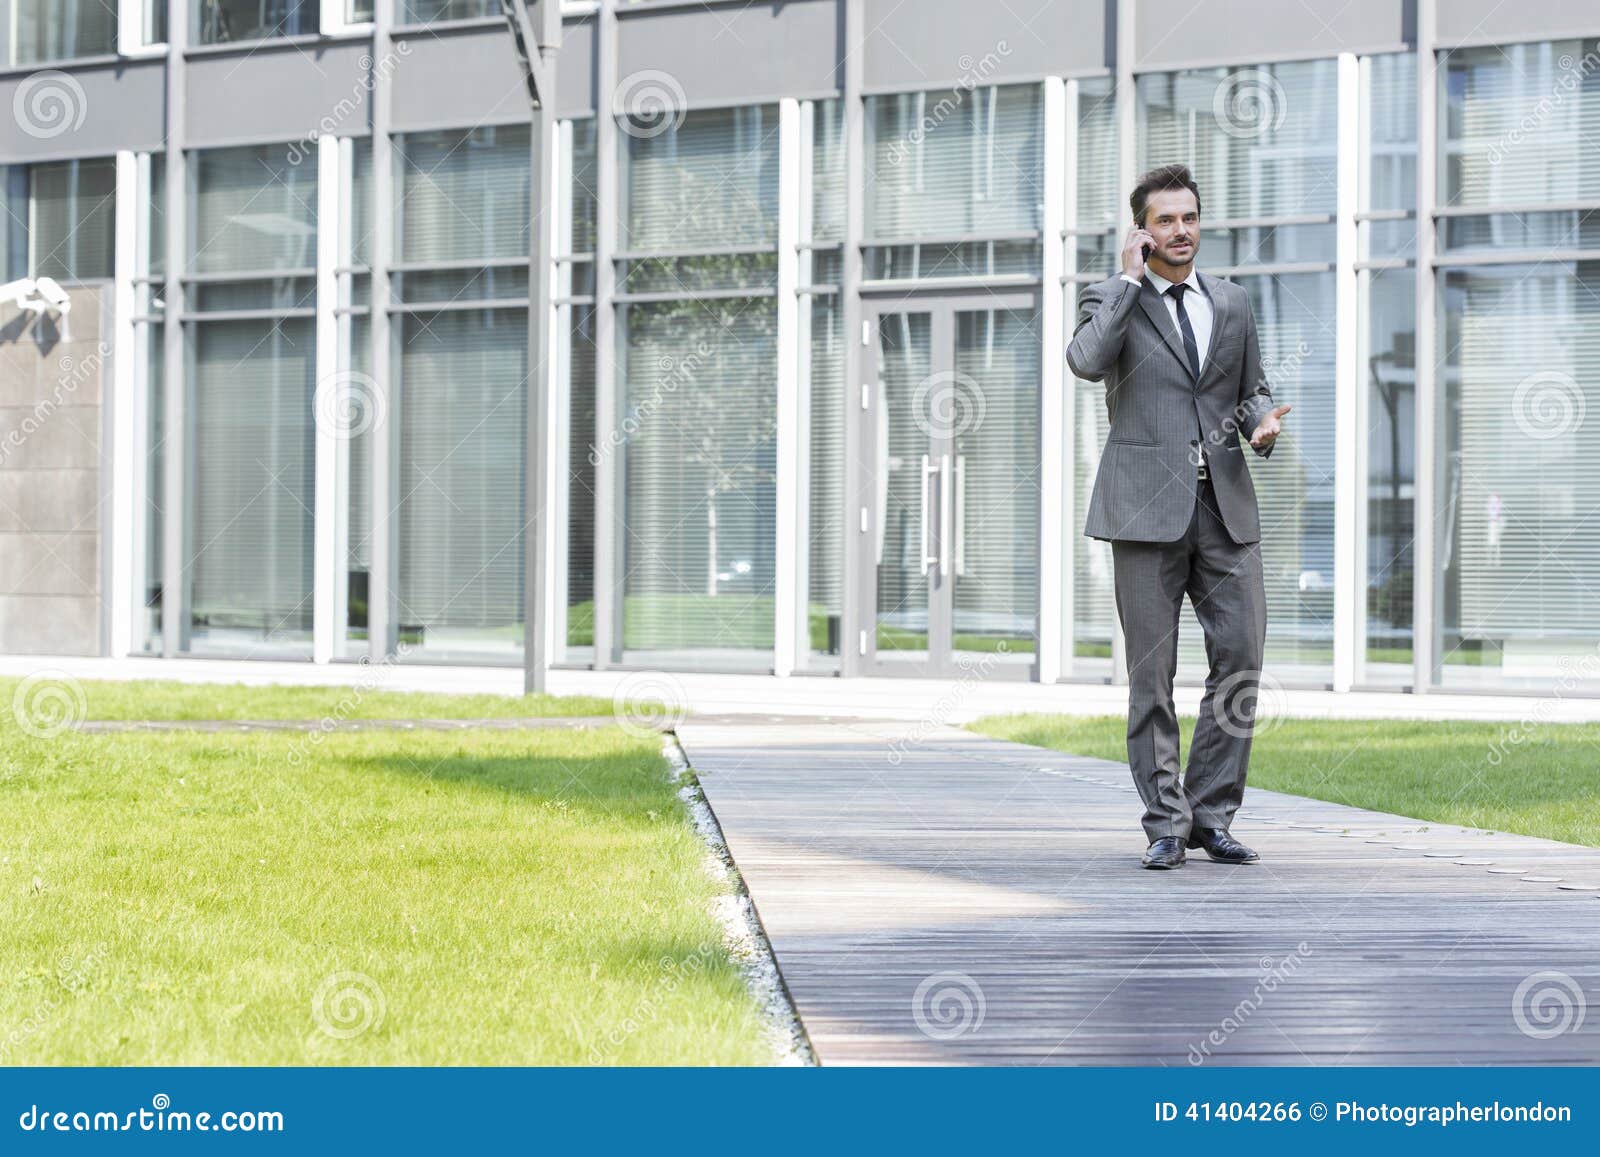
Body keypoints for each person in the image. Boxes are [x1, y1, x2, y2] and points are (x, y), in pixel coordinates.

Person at [1066, 163, 1291, 870]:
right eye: (1165, 220)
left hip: (1223, 506)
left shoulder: (1232, 302)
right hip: (1142, 510)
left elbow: (1248, 387)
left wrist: (1260, 422)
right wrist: (1130, 282)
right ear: (1141, 230)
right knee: (1150, 675)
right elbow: (1084, 360)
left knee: (1242, 660)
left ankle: (1210, 813)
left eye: (1189, 216)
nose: (1182, 230)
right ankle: (1165, 819)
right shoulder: (1111, 297)